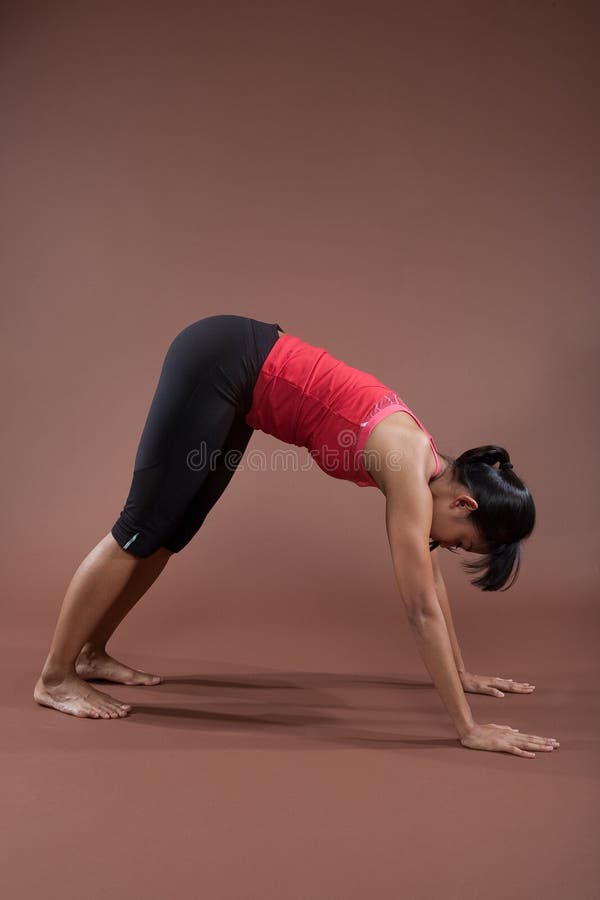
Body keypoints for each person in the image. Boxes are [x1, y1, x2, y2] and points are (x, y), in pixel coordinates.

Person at [34, 314, 559, 758]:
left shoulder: (424, 464)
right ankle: (56, 677)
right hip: (220, 360)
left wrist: (463, 672)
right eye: (463, 542)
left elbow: (428, 581)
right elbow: (420, 606)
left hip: (242, 386)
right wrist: (467, 729)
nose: (447, 548)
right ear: (464, 503)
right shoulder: (405, 462)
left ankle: (90, 653)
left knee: (171, 531)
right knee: (140, 526)